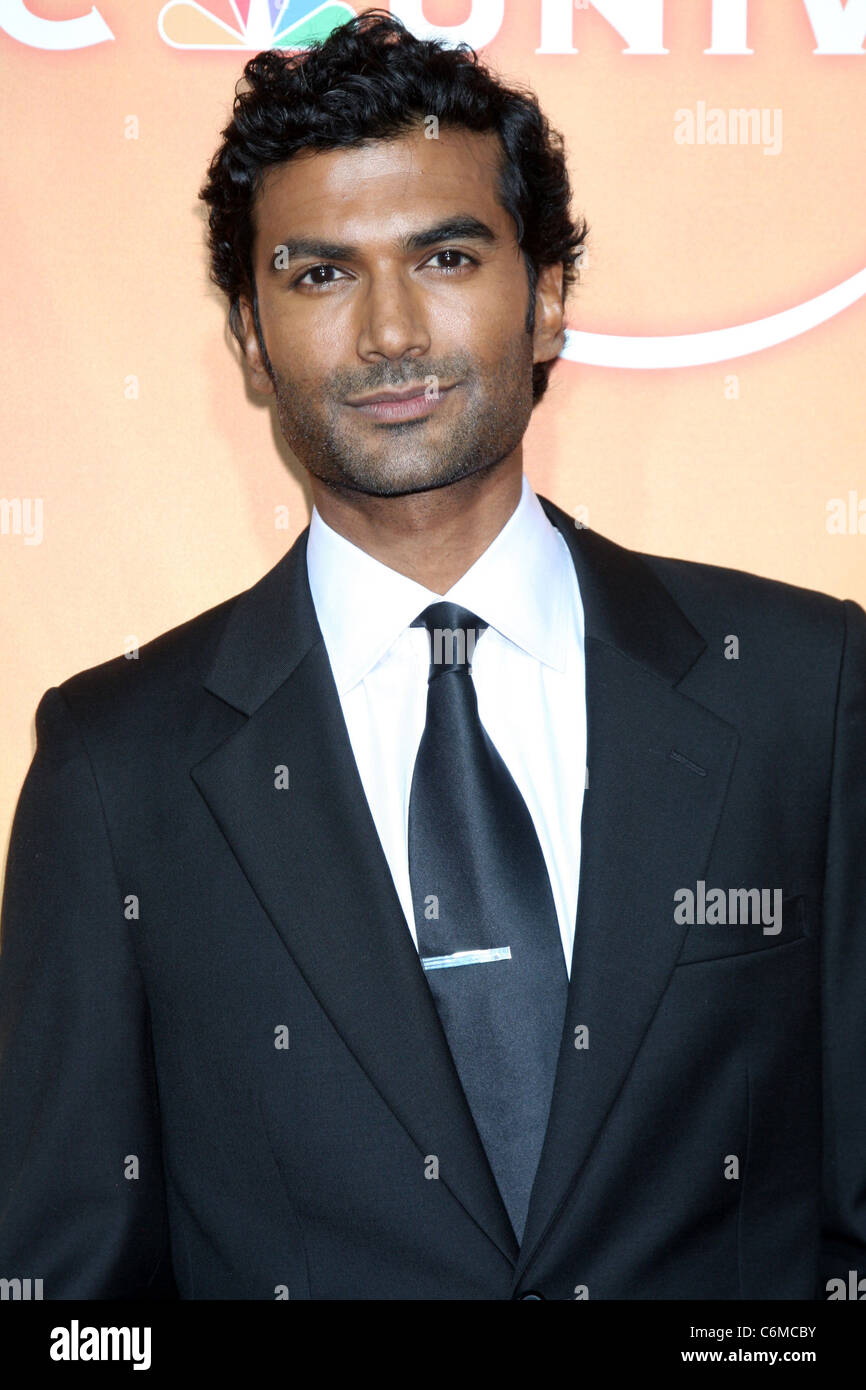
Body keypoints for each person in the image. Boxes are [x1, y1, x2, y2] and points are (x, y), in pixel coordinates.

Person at [0, 10, 863, 1301]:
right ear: (246, 336)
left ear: (548, 296)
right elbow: (70, 1306)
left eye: (445, 255)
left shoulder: (806, 688)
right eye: (318, 274)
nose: (390, 332)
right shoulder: (118, 766)